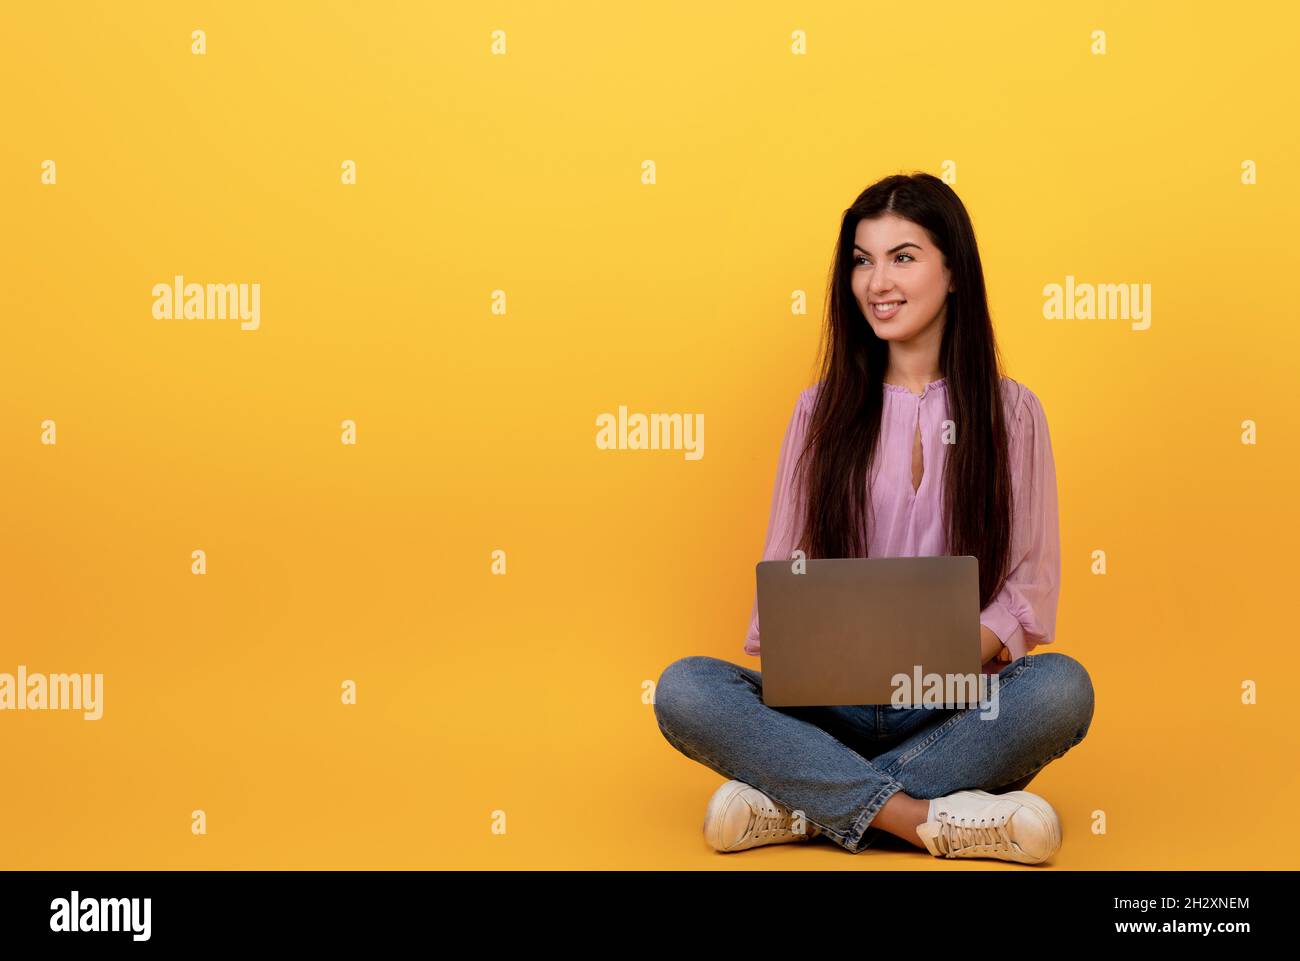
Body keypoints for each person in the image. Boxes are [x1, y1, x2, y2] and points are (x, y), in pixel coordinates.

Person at [653, 173, 1095, 863]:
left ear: (954, 273)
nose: (875, 281)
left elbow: (1026, 593)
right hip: (830, 705)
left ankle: (799, 802)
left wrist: (929, 664)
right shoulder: (818, 412)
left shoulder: (1013, 414)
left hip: (950, 701)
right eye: (861, 260)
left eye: (903, 256)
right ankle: (921, 818)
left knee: (1062, 689)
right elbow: (784, 577)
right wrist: (832, 659)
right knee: (684, 689)